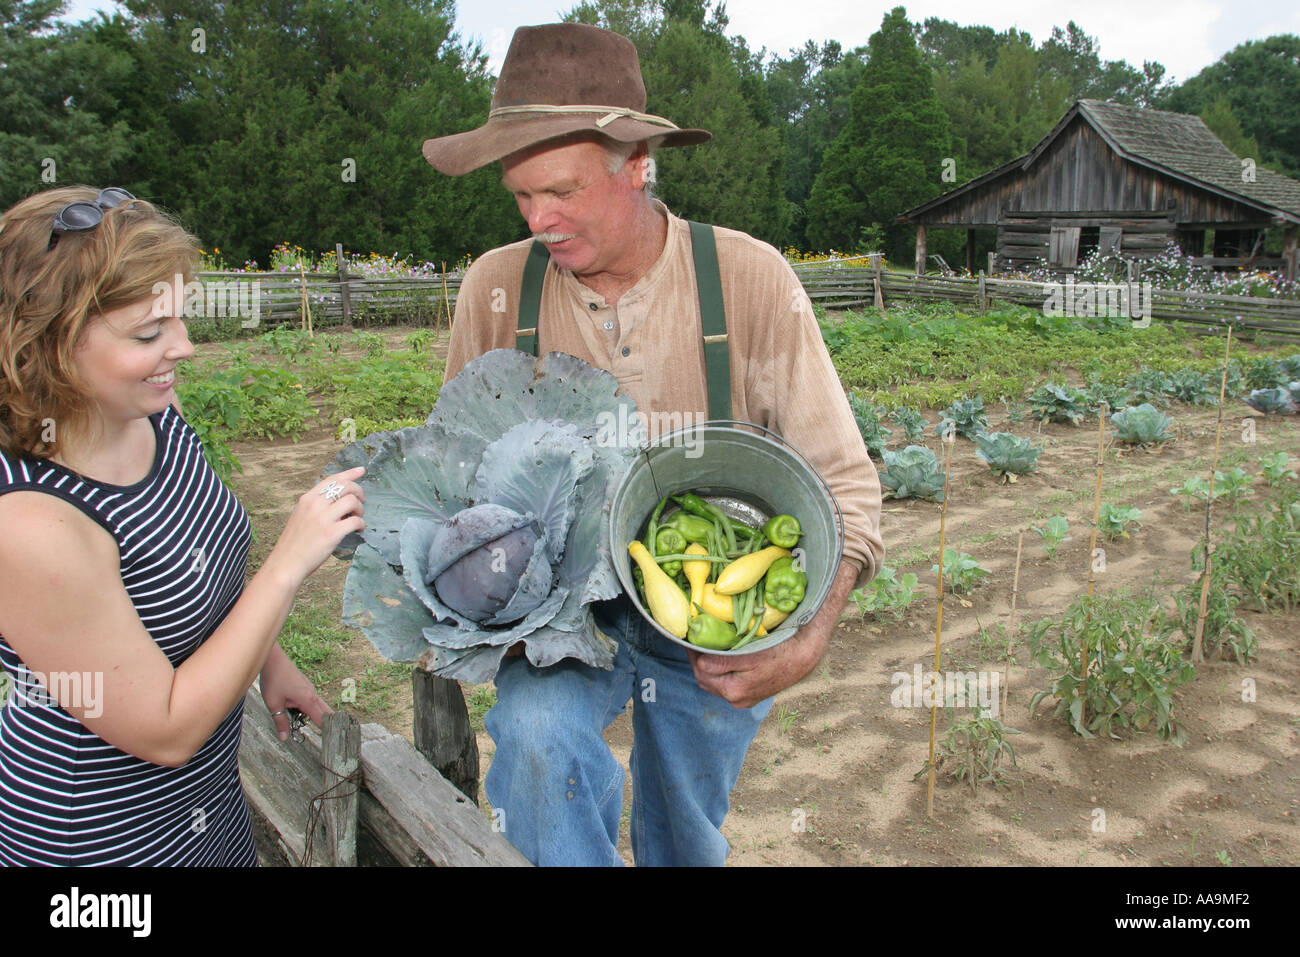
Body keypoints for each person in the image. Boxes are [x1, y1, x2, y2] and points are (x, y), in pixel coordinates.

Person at [423, 22, 884, 866]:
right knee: (534, 740)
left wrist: (810, 636)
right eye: (521, 196)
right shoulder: (494, 288)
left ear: (637, 164)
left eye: (561, 190)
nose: (540, 219)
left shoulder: (749, 279)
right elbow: (455, 466)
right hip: (560, 612)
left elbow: (844, 482)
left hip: (707, 615)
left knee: (683, 827)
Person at [0, 186, 366, 865]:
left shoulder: (149, 414)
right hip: (102, 847)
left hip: (206, 807)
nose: (185, 348)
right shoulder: (28, 524)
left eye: (180, 319)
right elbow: (165, 728)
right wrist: (288, 562)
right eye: (149, 333)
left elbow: (200, 562)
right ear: (47, 340)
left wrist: (267, 658)